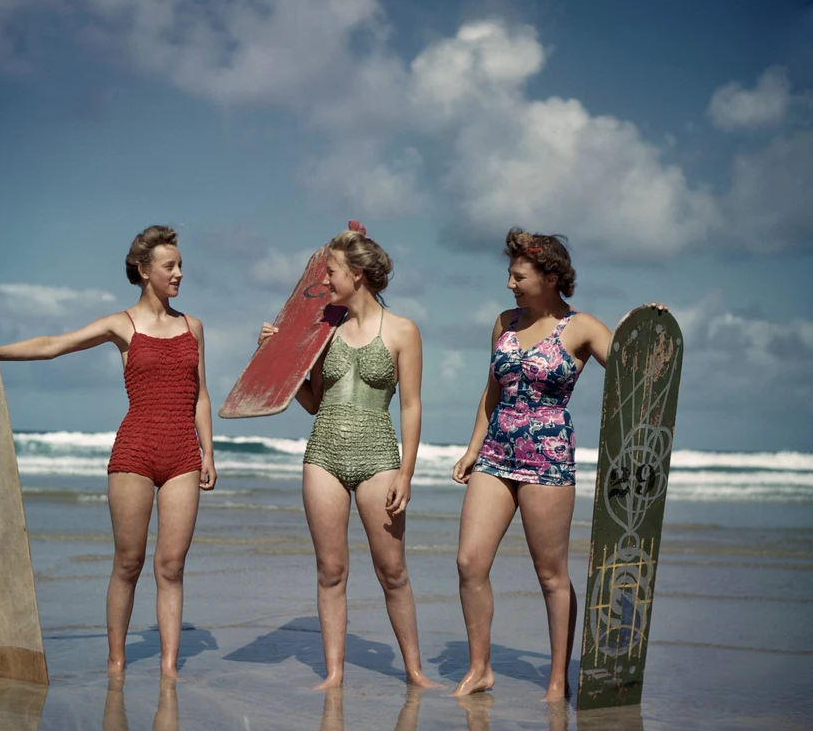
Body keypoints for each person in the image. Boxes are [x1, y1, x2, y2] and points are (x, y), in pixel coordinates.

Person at [0, 225, 216, 677]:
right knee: (129, 562)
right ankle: (116, 662)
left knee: (171, 566)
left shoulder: (193, 326)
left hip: (182, 456)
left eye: (180, 265)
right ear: (143, 269)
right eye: (169, 266)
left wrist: (207, 452)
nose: (179, 274)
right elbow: (55, 346)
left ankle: (169, 669)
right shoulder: (121, 325)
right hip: (134, 452)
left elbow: (201, 395)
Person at [451, 227, 662, 700]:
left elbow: (634, 373)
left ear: (550, 277)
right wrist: (471, 449)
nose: (510, 284)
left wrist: (651, 327)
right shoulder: (504, 321)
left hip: (548, 458)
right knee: (469, 561)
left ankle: (554, 680)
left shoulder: (581, 327)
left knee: (550, 574)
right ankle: (480, 668)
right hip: (497, 452)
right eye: (508, 274)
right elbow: (492, 393)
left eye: (518, 275)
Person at [259, 227, 438, 690]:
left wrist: (406, 471)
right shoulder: (324, 327)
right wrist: (277, 356)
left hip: (379, 453)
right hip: (324, 452)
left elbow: (412, 405)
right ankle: (334, 673)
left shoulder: (403, 331)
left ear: (357, 275)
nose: (325, 280)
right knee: (331, 569)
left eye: (332, 272)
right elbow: (314, 401)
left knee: (392, 570)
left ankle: (414, 671)